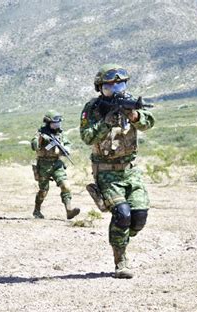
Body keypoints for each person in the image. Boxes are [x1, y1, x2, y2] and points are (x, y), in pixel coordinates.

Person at [80, 64, 155, 278]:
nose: (116, 90)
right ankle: (121, 261)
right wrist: (106, 122)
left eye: (120, 84)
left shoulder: (129, 103)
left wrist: (133, 116)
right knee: (122, 215)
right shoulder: (92, 108)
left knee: (139, 216)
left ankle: (121, 241)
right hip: (105, 172)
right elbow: (87, 137)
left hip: (130, 171)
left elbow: (149, 122)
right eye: (110, 86)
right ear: (100, 88)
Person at [30, 110, 80, 220]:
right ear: (48, 123)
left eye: (58, 123)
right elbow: (34, 146)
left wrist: (65, 148)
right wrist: (42, 140)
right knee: (43, 190)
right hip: (43, 164)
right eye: (54, 123)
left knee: (66, 186)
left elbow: (67, 145)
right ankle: (37, 210)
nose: (57, 126)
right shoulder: (40, 133)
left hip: (57, 163)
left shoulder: (60, 134)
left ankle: (69, 210)